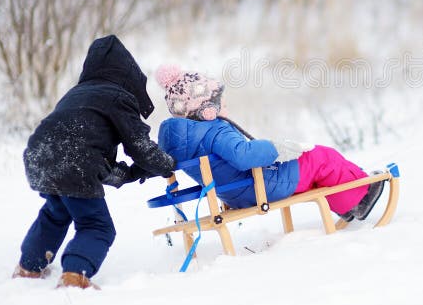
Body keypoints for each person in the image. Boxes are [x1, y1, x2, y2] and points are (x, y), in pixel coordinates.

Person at [14, 35, 177, 288]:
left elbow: (85, 143)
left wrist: (130, 173)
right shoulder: (118, 97)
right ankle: (74, 276)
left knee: (56, 212)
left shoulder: (75, 94)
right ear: (127, 72)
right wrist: (167, 164)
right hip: (74, 162)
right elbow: (140, 148)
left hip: (39, 154)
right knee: (97, 225)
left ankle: (29, 267)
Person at [154, 65, 384, 222]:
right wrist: (278, 149)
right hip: (260, 186)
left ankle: (348, 201)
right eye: (220, 101)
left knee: (312, 167)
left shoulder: (186, 141)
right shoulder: (214, 131)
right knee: (321, 157)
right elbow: (243, 155)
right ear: (207, 110)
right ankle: (361, 198)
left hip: (235, 194)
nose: (225, 105)